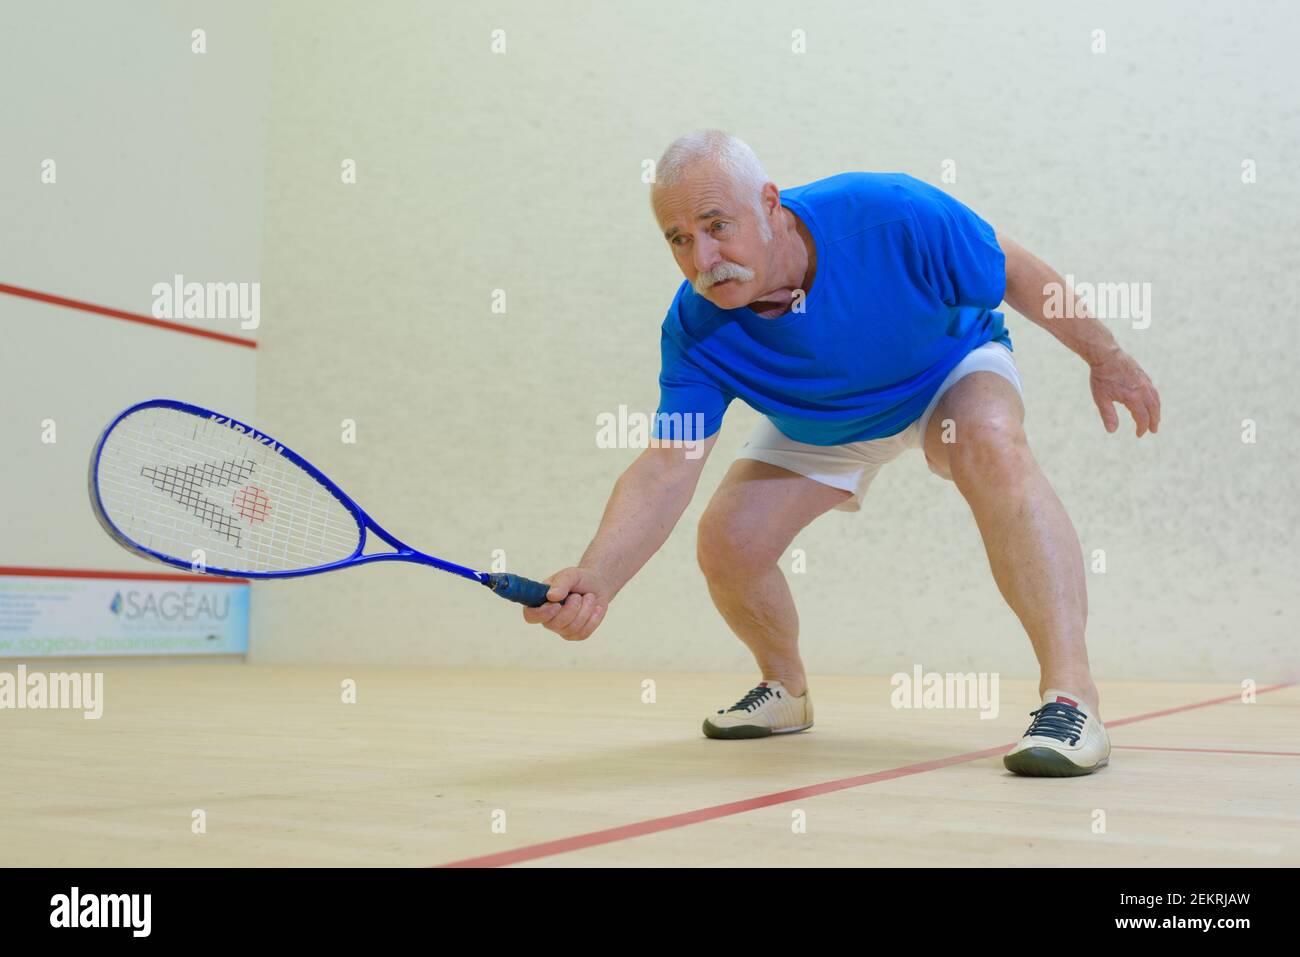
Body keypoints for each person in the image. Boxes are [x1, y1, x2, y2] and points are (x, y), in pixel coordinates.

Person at [523, 129, 1160, 777]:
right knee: (728, 541)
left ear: (771, 203)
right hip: (823, 421)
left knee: (990, 442)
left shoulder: (888, 213)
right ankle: (785, 689)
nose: (703, 258)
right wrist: (597, 576)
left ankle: (1072, 697)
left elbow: (1015, 268)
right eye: (679, 239)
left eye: (718, 225)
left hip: (946, 372)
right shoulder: (697, 328)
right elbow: (667, 464)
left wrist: (1106, 357)